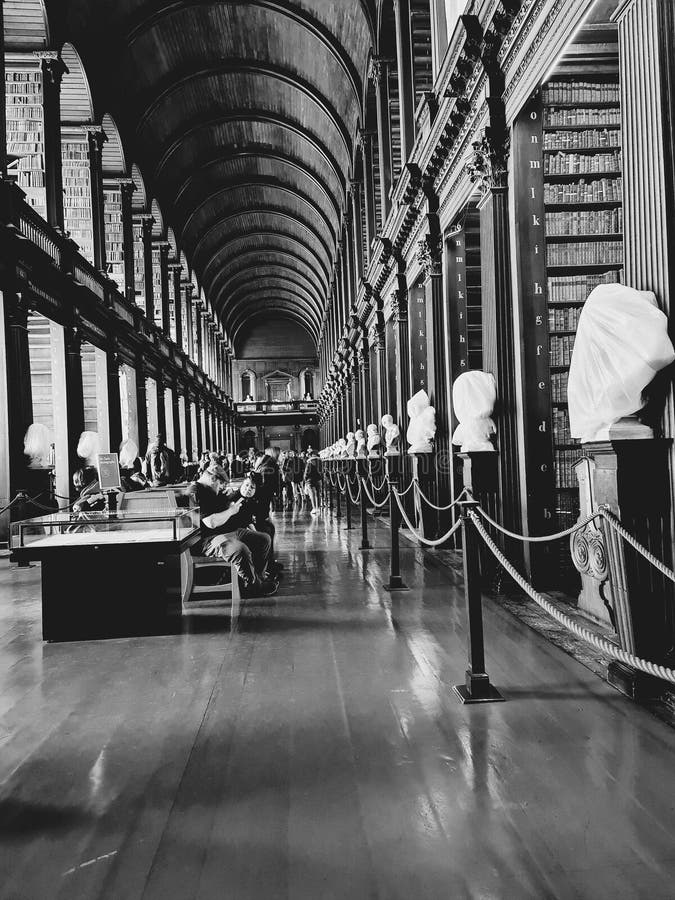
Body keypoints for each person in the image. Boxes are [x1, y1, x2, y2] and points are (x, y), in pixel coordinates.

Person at [192, 467, 278, 598]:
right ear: (213, 479)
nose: (221, 487)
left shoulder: (210, 490)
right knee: (240, 549)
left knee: (264, 539)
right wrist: (231, 510)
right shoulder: (196, 491)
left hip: (230, 531)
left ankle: (259, 578)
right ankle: (253, 586)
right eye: (221, 484)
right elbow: (211, 522)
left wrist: (225, 499)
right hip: (211, 539)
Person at [303, 450, 322, 516]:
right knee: (318, 494)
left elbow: (306, 473)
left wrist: (305, 481)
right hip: (318, 480)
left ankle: (314, 508)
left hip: (310, 481)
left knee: (312, 495)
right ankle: (318, 508)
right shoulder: (319, 463)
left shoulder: (309, 463)